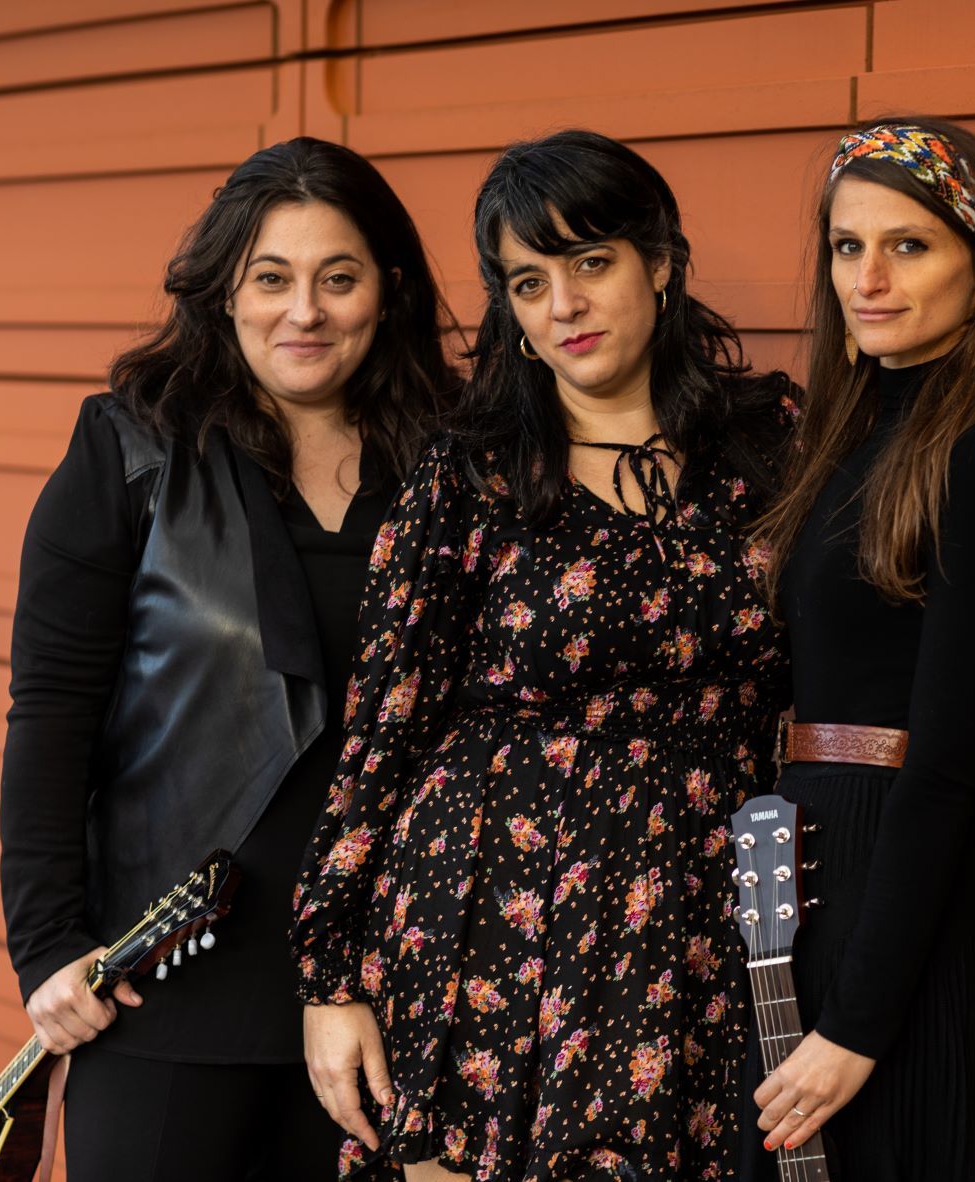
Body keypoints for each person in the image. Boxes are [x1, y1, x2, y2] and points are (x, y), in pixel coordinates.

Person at [291, 129, 798, 1182]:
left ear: (659, 262)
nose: (563, 304)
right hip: (485, 919)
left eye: (591, 263)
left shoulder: (769, 445)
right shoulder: (471, 477)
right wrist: (328, 981)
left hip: (695, 923)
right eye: (529, 281)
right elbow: (383, 729)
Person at [0, 136, 456, 1180]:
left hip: (383, 992)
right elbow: (52, 712)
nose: (306, 311)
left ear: (387, 291)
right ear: (224, 294)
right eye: (272, 279)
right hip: (170, 980)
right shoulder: (129, 451)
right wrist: (48, 942)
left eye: (338, 279)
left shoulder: (446, 465)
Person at [743, 118, 975, 1179]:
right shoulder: (839, 434)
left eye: (909, 245)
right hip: (794, 877)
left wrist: (858, 1026)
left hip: (901, 897)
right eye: (848, 246)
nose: (869, 278)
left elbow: (943, 767)